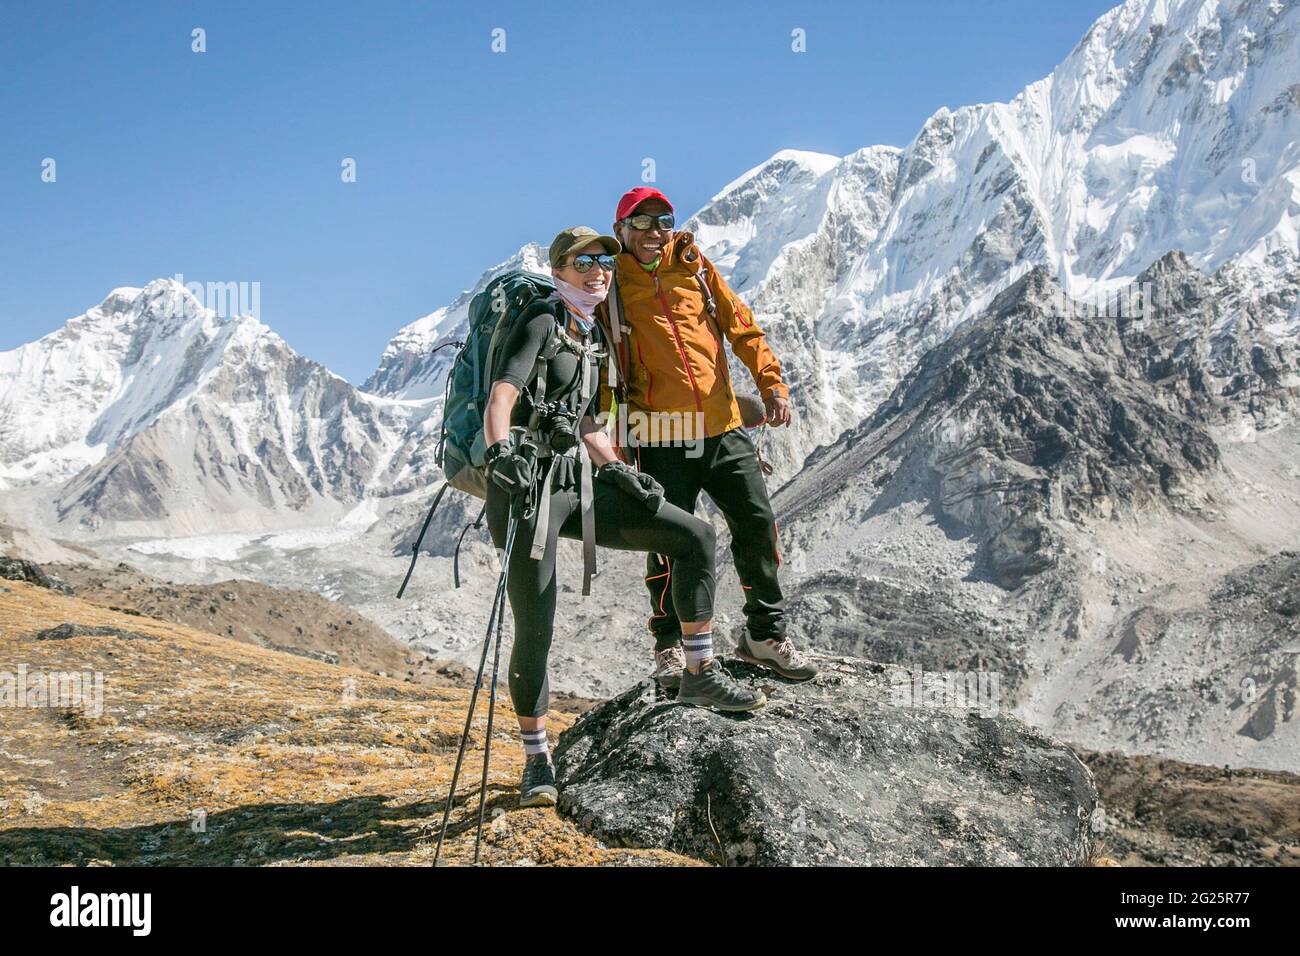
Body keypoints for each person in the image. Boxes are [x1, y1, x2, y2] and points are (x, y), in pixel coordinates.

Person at [483, 226, 766, 808]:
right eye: (583, 262)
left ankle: (698, 670)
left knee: (693, 535)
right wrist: (499, 452)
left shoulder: (590, 337)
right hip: (524, 488)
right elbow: (502, 395)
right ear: (559, 269)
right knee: (536, 621)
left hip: (577, 482)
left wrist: (614, 466)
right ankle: (537, 759)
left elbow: (586, 422)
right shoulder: (541, 319)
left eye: (604, 262)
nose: (598, 270)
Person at [598, 188, 819, 689]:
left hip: (723, 427)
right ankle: (670, 646)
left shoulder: (696, 268)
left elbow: (742, 327)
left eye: (664, 222)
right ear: (621, 232)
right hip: (658, 435)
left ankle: (764, 635)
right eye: (643, 223)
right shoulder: (610, 286)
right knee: (668, 543)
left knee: (757, 524)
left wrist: (771, 384)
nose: (656, 232)